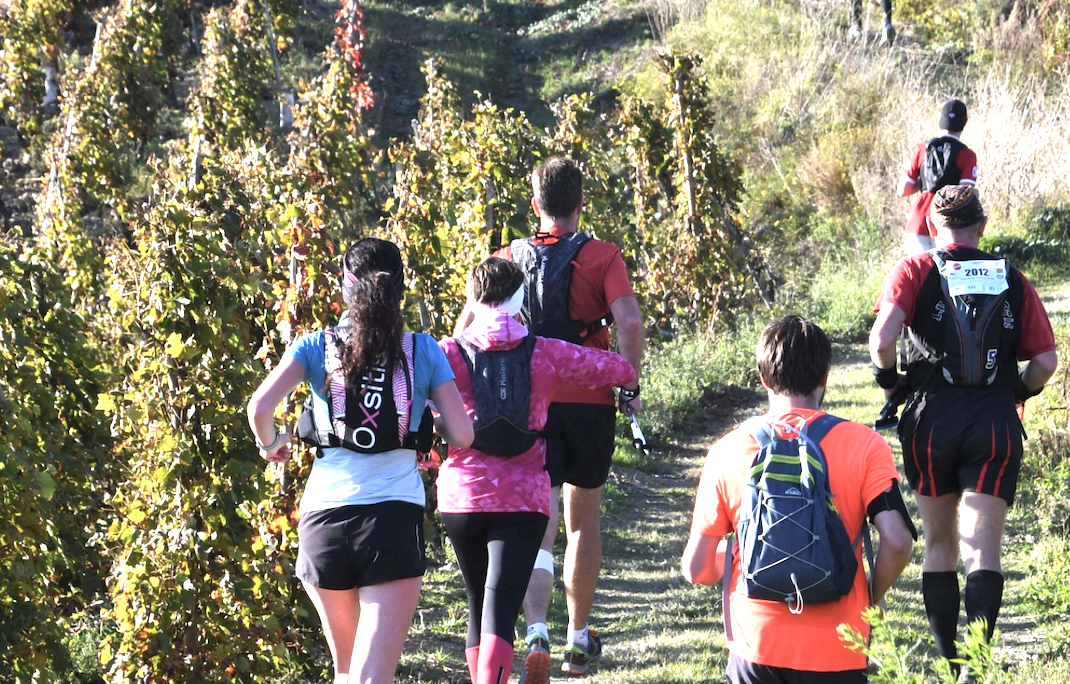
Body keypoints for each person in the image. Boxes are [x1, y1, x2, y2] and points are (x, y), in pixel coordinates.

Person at [247, 238, 474, 684]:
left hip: (323, 521)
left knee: (348, 673)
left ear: (345, 287)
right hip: (391, 518)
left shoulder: (316, 345)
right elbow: (463, 433)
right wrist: (429, 434)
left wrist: (271, 443)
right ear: (399, 289)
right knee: (373, 678)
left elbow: (259, 407)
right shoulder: (424, 350)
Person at [455, 157, 644, 680]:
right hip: (589, 401)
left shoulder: (506, 258)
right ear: (581, 204)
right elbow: (628, 320)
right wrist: (630, 383)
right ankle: (578, 637)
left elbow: (466, 328)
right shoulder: (603, 256)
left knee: (540, 519)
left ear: (534, 205)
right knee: (583, 517)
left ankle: (536, 625)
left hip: (525, 402)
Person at [870, 185, 1057, 676]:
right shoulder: (1011, 277)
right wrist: (1017, 391)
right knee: (983, 549)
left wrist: (891, 385)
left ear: (933, 228)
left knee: (940, 545)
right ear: (983, 227)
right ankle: (978, 663)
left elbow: (882, 340)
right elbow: (1046, 361)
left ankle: (950, 664)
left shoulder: (914, 269)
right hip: (994, 420)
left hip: (930, 420)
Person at [683, 315, 915, 683]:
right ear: (825, 376)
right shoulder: (866, 446)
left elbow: (696, 569)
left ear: (763, 380)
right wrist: (872, 592)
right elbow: (899, 541)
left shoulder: (727, 450)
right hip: (840, 647)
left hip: (755, 646)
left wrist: (749, 550)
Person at [897, 99, 979, 255]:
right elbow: (967, 193)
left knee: (921, 277)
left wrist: (923, 183)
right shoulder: (967, 155)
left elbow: (902, 190)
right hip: (948, 225)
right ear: (964, 123)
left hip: (918, 222)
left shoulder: (922, 149)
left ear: (941, 120)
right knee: (944, 276)